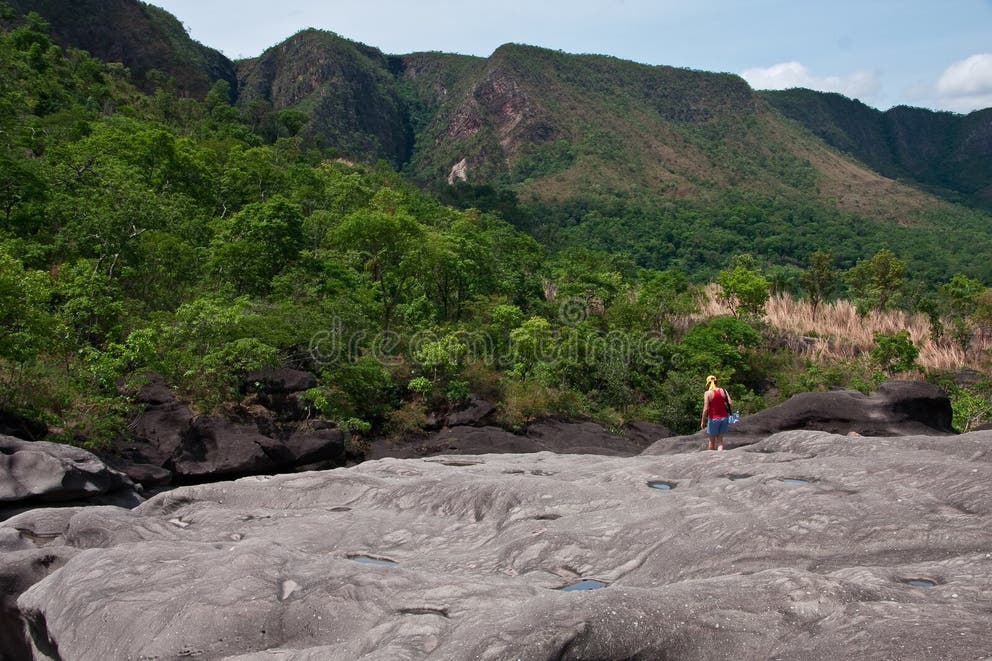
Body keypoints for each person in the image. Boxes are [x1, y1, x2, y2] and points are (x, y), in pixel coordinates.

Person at [700, 374, 732, 451]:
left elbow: (706, 409)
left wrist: (702, 421)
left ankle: (711, 460)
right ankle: (719, 456)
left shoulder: (707, 393)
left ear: (708, 384)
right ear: (716, 382)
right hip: (724, 418)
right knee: (720, 441)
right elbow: (730, 403)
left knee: (711, 442)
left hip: (713, 419)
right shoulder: (724, 391)